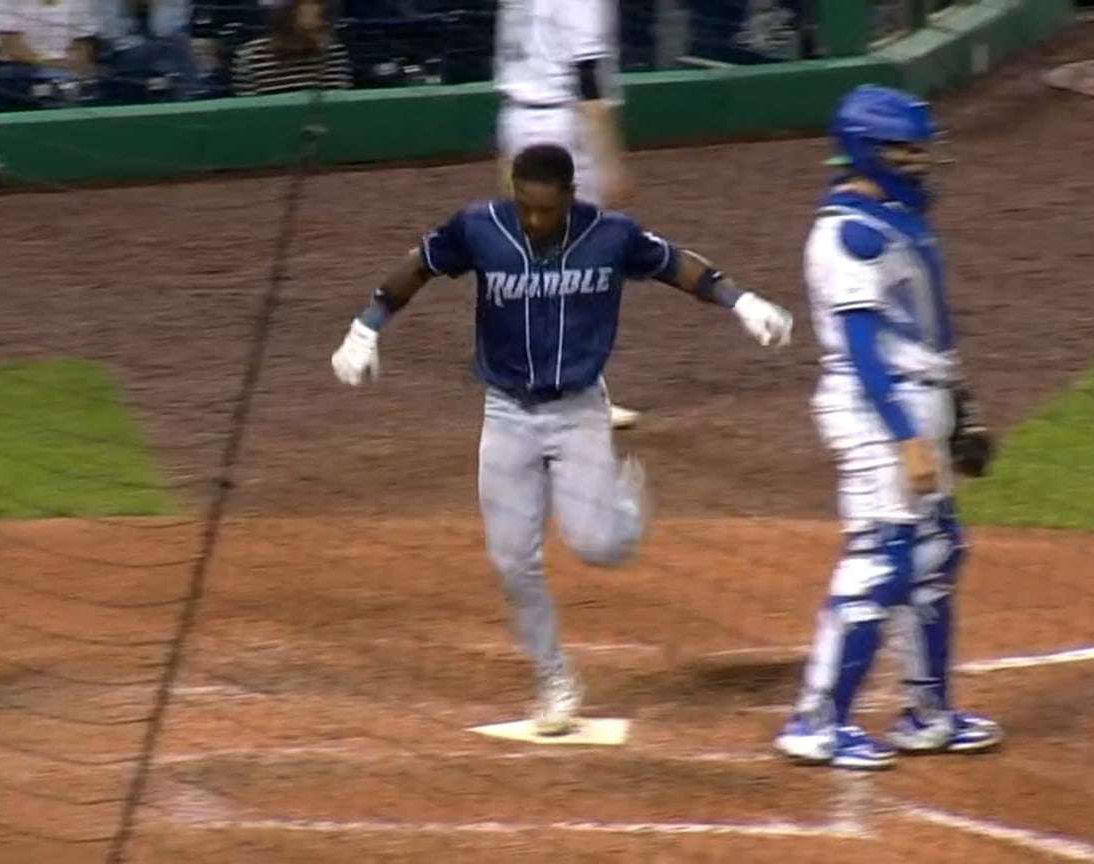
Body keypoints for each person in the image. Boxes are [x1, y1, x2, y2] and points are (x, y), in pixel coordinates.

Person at [330, 143, 794, 735]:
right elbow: (418, 266)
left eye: (546, 209)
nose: (534, 219)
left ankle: (622, 500)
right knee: (511, 560)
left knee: (603, 547)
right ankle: (554, 681)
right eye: (525, 206)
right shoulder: (480, 227)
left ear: (570, 198)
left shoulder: (611, 235)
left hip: (578, 411)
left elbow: (676, 264)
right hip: (506, 412)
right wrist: (364, 328)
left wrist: (740, 300)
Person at [773, 84, 999, 771]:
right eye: (906, 150)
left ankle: (927, 715)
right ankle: (816, 721)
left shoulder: (893, 219)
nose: (919, 161)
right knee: (883, 557)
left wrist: (958, 406)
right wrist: (905, 436)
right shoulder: (851, 234)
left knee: (936, 553)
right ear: (869, 151)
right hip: (876, 410)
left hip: (916, 400)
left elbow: (924, 337)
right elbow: (864, 348)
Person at [493, 0, 640, 431]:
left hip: (516, 117)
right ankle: (574, 393)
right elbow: (588, 76)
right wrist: (610, 160)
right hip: (558, 128)